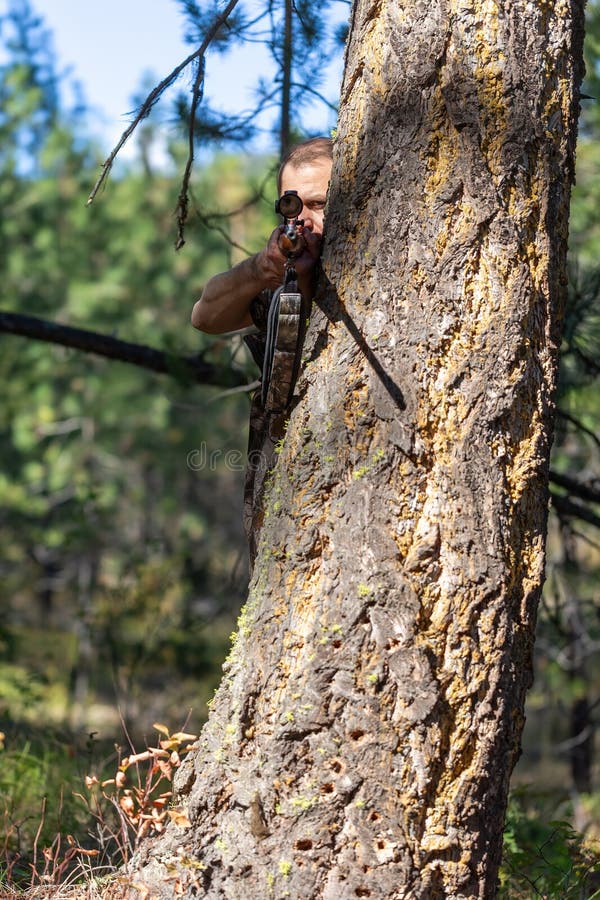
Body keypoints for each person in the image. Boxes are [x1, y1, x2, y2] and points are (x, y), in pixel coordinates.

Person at [192, 137, 333, 566]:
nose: (304, 220)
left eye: (320, 204)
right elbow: (205, 313)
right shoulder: (277, 280)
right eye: (294, 205)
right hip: (278, 509)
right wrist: (263, 268)